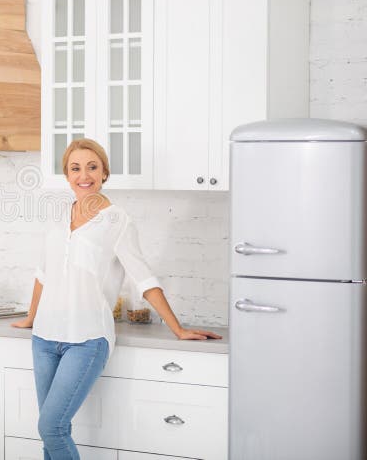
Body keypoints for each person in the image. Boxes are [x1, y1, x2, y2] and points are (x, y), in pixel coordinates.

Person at [11, 138, 221, 460]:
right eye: (75, 168)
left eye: (92, 167)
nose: (84, 175)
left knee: (51, 427)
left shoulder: (116, 220)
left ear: (105, 173)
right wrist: (30, 318)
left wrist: (177, 329)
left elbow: (143, 278)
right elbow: (43, 274)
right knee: (50, 431)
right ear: (66, 175)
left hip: (86, 340)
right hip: (44, 337)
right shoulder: (56, 219)